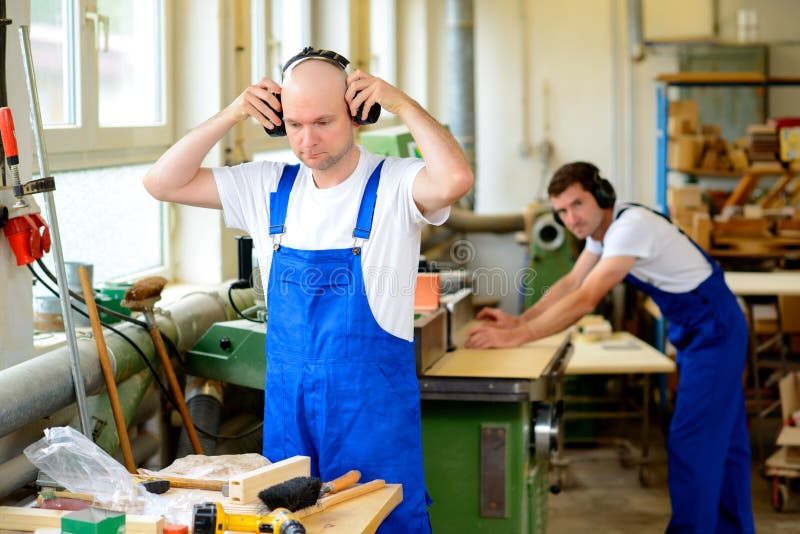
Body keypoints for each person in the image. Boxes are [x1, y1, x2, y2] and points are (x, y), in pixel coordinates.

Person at [143, 47, 472, 532]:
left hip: (371, 415)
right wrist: (234, 112)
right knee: (289, 523)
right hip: (288, 411)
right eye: (294, 125)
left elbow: (455, 178)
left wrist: (402, 103)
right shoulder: (266, 187)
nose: (308, 140)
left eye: (323, 122)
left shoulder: (396, 184)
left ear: (358, 115)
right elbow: (161, 181)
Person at [466, 161, 754, 533]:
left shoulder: (630, 228)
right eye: (562, 211)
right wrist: (518, 322)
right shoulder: (604, 232)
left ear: (601, 196)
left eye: (577, 204)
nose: (571, 218)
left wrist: (517, 338)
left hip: (714, 331)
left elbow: (587, 298)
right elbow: (572, 282)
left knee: (693, 441)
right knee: (726, 440)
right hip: (701, 329)